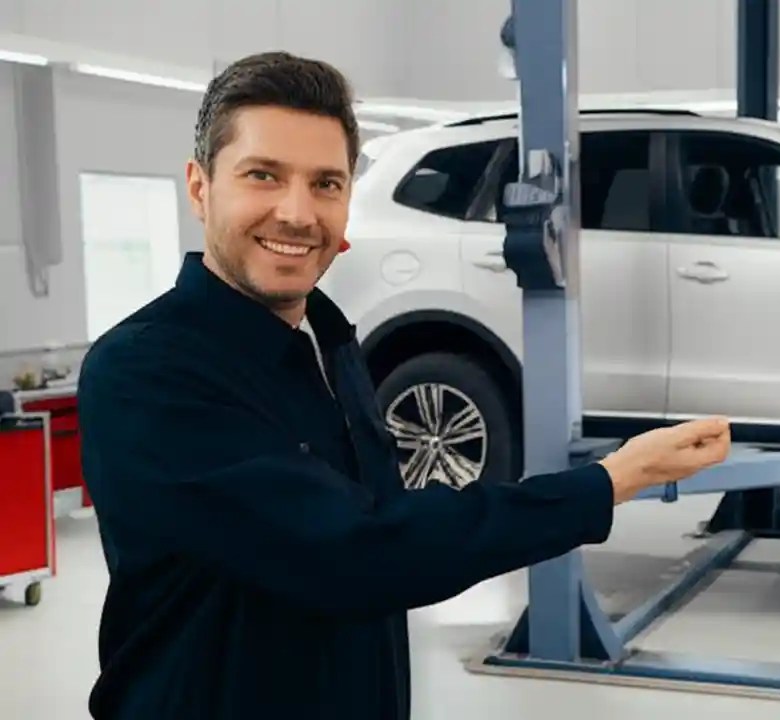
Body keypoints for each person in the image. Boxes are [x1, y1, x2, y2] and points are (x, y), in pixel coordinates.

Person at [75, 51, 732, 720]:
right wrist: (609, 480)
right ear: (199, 187)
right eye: (263, 176)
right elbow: (358, 554)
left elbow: (386, 540)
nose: (298, 213)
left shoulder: (332, 342)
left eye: (326, 184)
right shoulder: (144, 372)